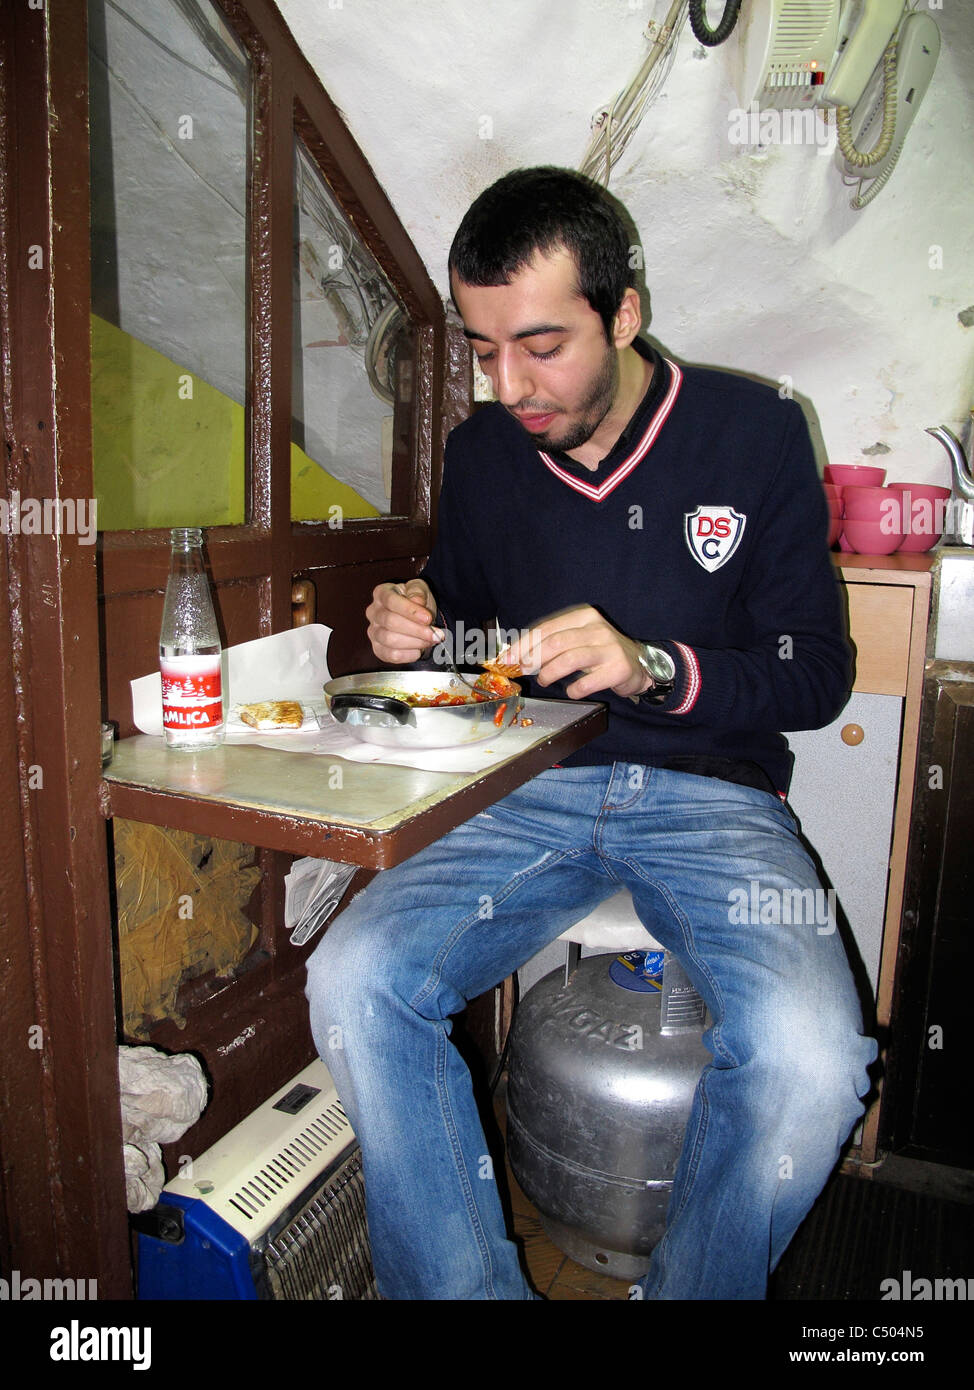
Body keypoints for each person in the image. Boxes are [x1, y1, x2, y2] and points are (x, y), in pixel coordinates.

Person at [306, 166, 877, 1301]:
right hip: (523, 780)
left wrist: (652, 664)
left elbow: (814, 673)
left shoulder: (753, 433)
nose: (509, 384)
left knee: (814, 1062)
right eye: (481, 348)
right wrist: (419, 631)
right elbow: (475, 646)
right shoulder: (480, 455)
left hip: (712, 803)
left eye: (541, 343)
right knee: (354, 977)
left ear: (625, 313)